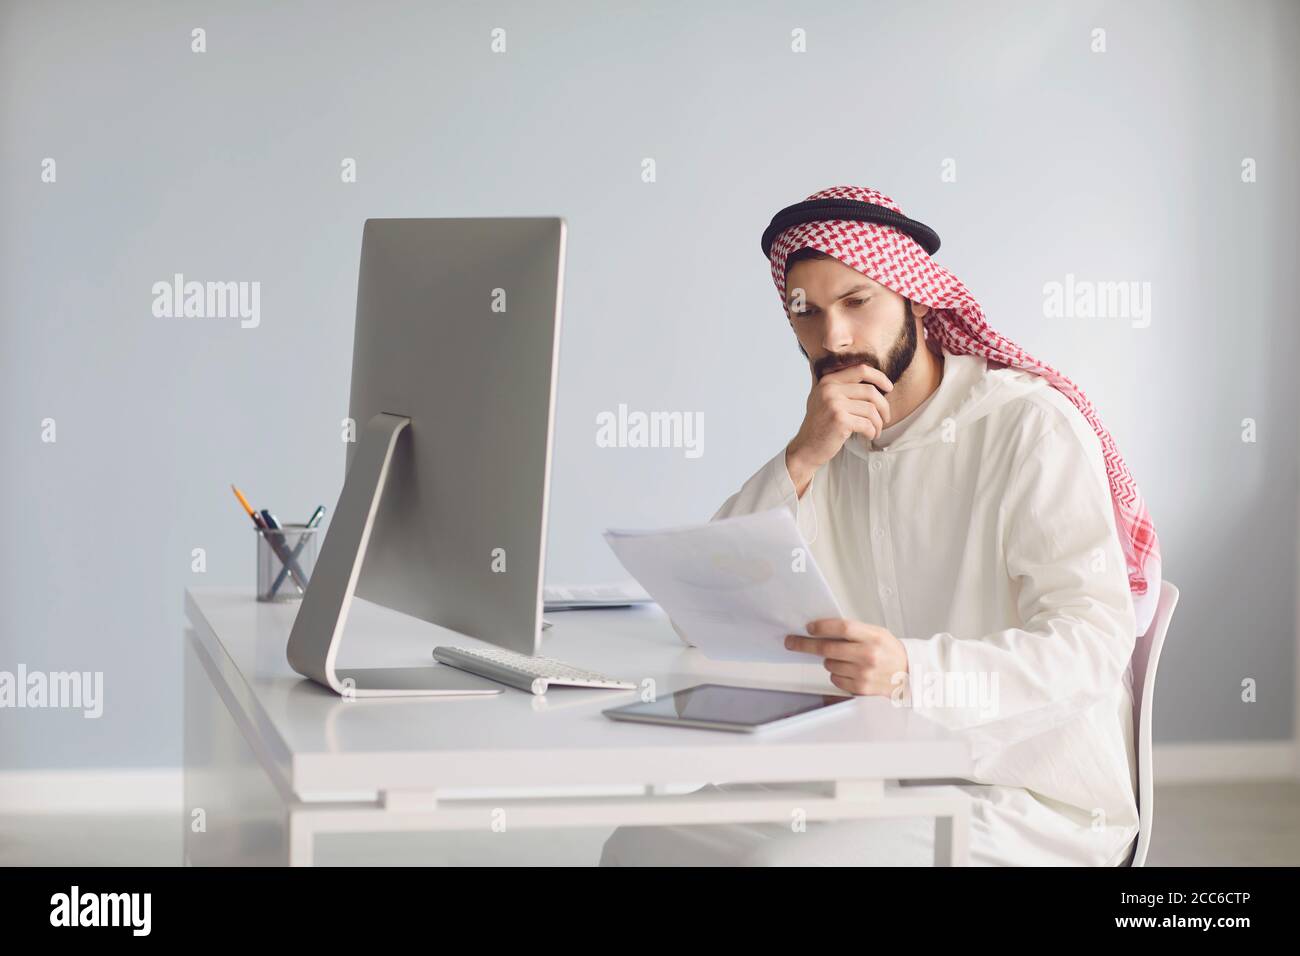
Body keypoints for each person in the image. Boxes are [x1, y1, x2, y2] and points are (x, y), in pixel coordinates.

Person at [600, 185, 1161, 866]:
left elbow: (1092, 645)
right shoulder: (828, 444)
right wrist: (801, 457)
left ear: (917, 299)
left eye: (857, 302)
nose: (832, 336)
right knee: (642, 848)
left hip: (1022, 796)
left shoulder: (1026, 427)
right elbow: (707, 615)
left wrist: (913, 671)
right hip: (865, 778)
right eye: (806, 312)